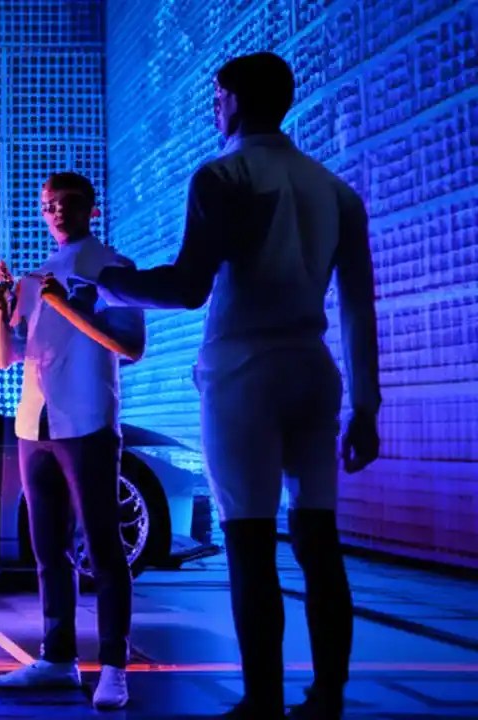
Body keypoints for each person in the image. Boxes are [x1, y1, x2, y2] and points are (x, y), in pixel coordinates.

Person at [93, 52, 380, 719]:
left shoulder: (222, 174)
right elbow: (360, 306)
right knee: (319, 538)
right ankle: (328, 698)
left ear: (231, 99)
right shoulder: (337, 191)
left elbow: (188, 287)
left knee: (250, 541)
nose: (212, 108)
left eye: (215, 96)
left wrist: (109, 280)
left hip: (242, 373)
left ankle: (262, 702)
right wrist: (366, 406)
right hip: (314, 370)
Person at [0, 172, 146, 710]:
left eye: (68, 202)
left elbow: (130, 345)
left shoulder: (115, 267)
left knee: (103, 546)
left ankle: (115, 667)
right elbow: (0, 359)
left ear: (91, 208)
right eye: (48, 204)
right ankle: (58, 657)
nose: (56, 211)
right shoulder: (36, 277)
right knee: (48, 547)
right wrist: (1, 305)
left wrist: (67, 306)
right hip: (35, 425)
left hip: (89, 422)